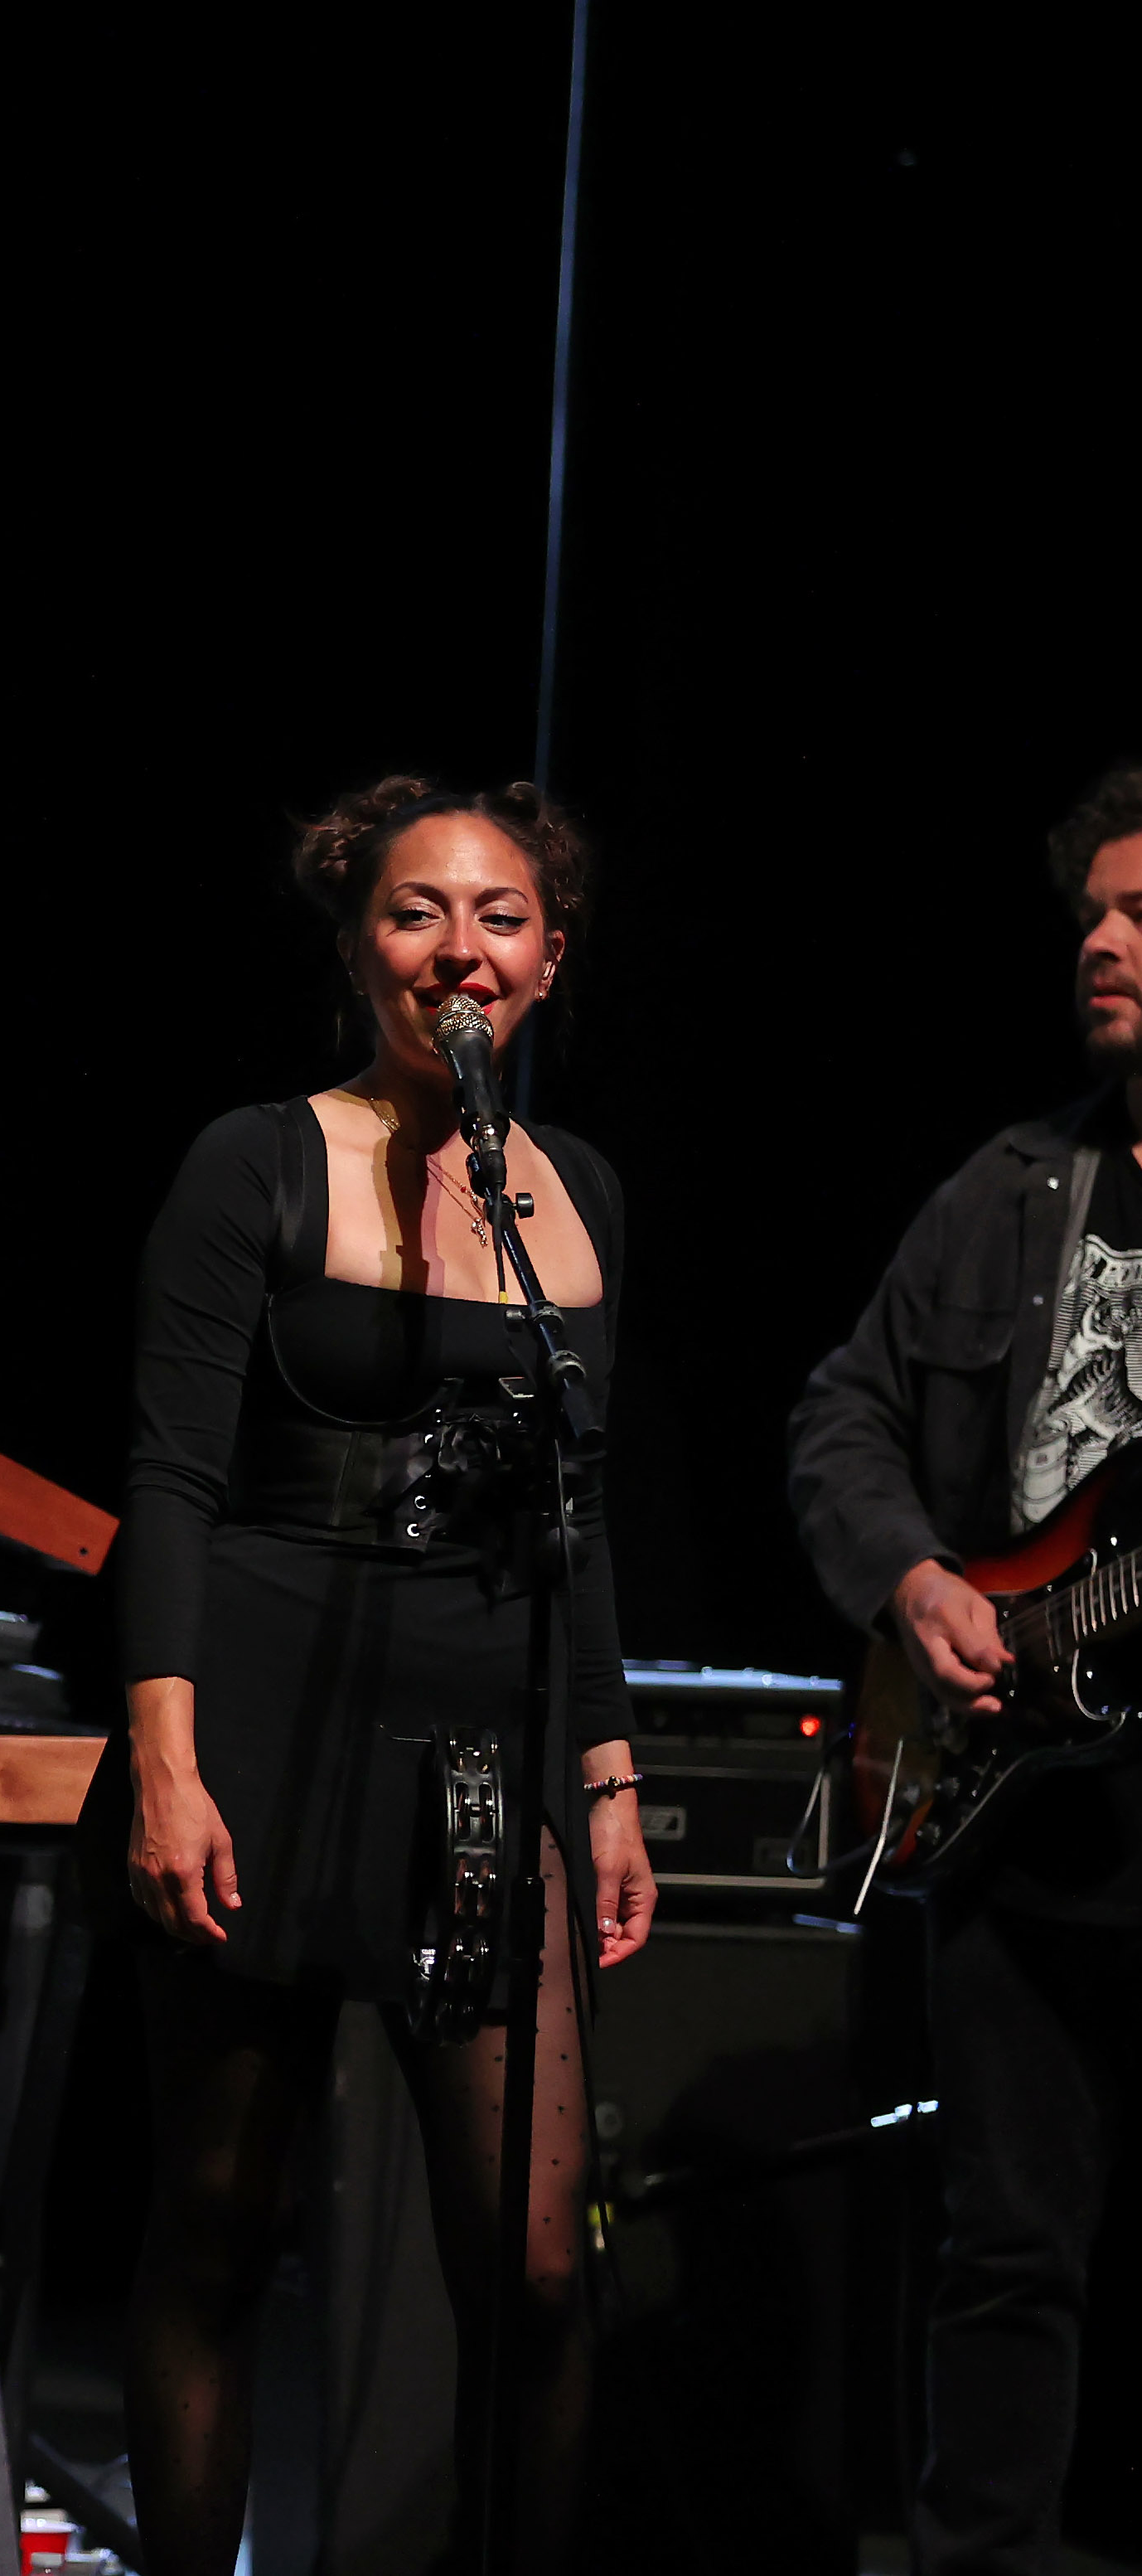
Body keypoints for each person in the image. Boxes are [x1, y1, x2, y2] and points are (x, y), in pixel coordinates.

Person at [90, 776, 661, 2576]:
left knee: (540, 2261)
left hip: (477, 1756)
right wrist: (165, 1765)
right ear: (358, 948)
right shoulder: (250, 1158)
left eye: (497, 918)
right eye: (417, 913)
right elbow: (170, 1480)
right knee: (215, 2225)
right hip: (261, 1720)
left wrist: (608, 1778)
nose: (457, 952)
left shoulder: (575, 1199)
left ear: (548, 963)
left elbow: (577, 1512)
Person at [787, 760, 1142, 2576]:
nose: (1099, 937)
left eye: (1141, 913)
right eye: (1090, 910)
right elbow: (838, 1412)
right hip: (1009, 1810)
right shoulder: (1009, 1187)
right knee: (1000, 2242)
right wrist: (914, 1578)